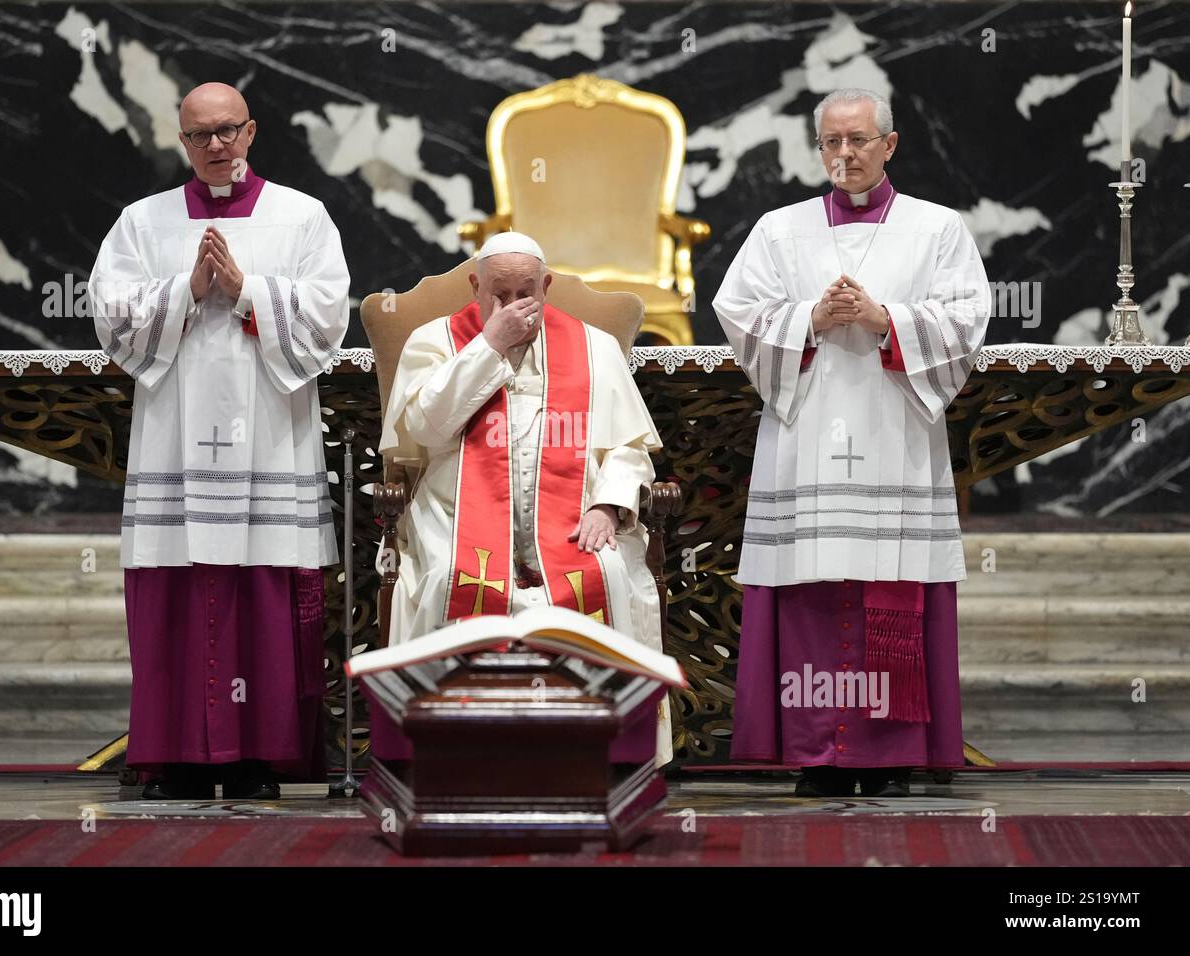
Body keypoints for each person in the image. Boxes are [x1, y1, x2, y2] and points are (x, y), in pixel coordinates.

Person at [713, 88, 991, 797]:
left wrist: (884, 318)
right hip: (807, 437)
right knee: (810, 592)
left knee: (889, 588)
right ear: (818, 148)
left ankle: (890, 752)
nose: (846, 154)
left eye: (860, 140)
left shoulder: (937, 229)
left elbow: (966, 318)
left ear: (890, 145)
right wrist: (808, 317)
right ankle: (816, 752)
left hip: (894, 433)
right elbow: (738, 310)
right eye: (832, 142)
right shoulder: (780, 229)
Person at [89, 82, 350, 800]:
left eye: (228, 131)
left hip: (269, 434)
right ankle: (172, 757)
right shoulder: (143, 223)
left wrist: (246, 291)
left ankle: (258, 757)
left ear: (252, 131)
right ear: (182, 142)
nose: (215, 146)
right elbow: (109, 315)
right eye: (200, 135)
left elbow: (329, 316)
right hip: (174, 435)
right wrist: (183, 289)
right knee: (175, 586)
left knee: (262, 588)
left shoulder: (303, 217)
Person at [378, 232, 673, 767]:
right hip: (455, 515)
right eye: (498, 292)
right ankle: (454, 756)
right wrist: (488, 345)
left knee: (601, 575)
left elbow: (629, 450)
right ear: (474, 285)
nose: (513, 305)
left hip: (574, 519)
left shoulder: (592, 347)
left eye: (525, 292)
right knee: (448, 578)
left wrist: (608, 506)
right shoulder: (435, 341)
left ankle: (601, 758)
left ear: (547, 286)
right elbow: (426, 427)